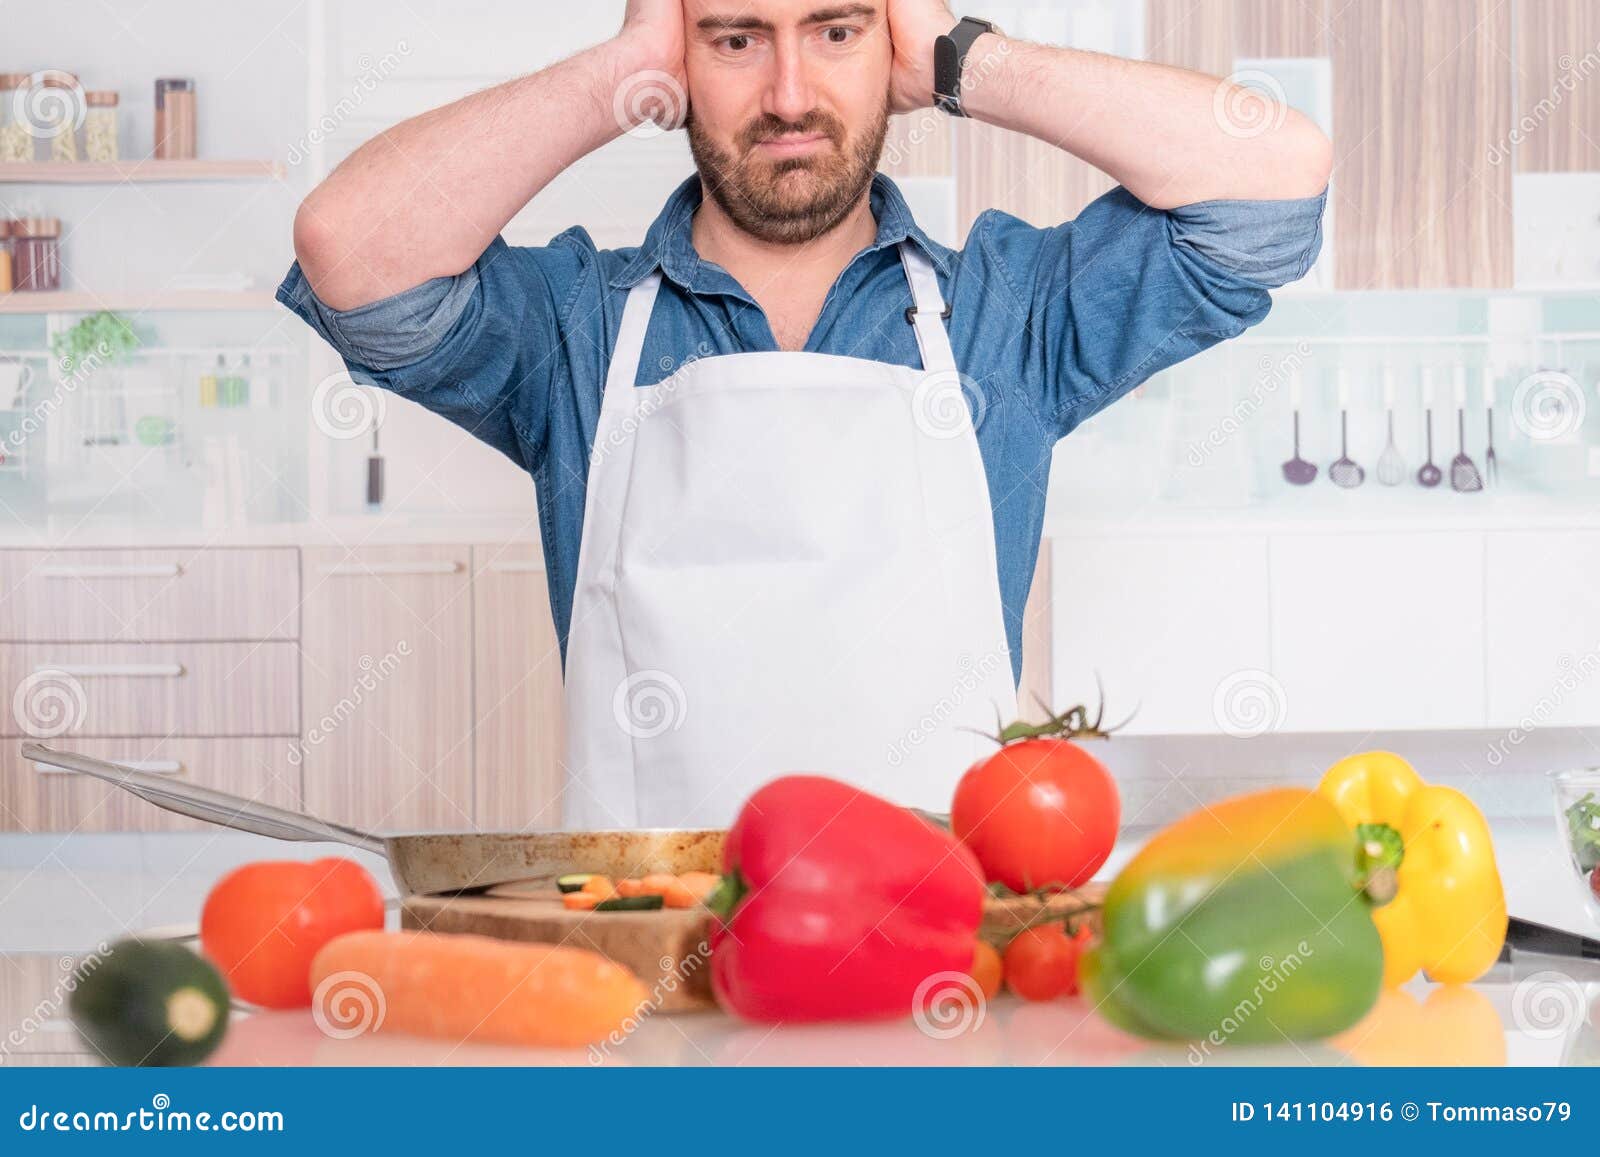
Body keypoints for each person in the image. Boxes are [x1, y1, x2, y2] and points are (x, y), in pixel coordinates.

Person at [280, 0, 1332, 829]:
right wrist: (620, 72)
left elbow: (1272, 185)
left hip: (937, 967)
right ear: (677, 61)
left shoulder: (1008, 315)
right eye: (735, 38)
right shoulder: (573, 332)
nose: (789, 95)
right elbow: (350, 251)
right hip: (653, 958)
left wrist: (967, 60)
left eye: (835, 30)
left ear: (892, 45)